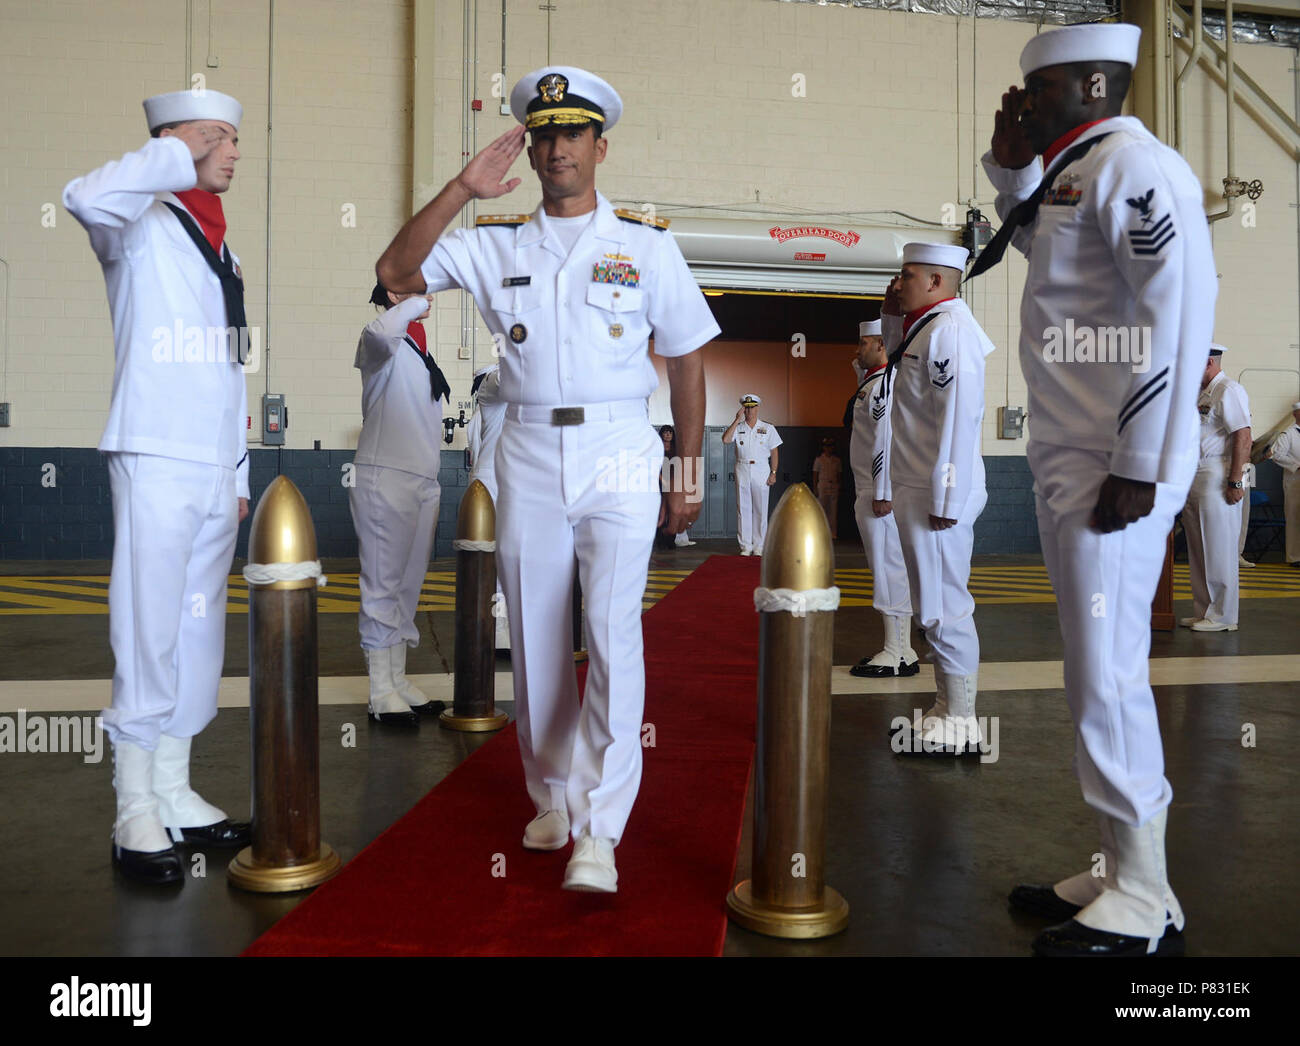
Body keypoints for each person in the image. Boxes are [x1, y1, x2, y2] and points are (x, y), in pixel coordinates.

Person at [374, 66, 717, 893]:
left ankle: (600, 828)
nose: (557, 146)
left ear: (601, 146)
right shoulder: (493, 241)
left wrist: (687, 469)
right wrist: (460, 187)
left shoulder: (644, 244)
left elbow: (688, 356)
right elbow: (395, 272)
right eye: (543, 133)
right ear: (528, 148)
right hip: (525, 450)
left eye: (572, 133)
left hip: (620, 450)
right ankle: (553, 797)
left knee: (610, 631)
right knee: (531, 641)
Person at [976, 22, 1217, 956]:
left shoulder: (1141, 169)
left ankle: (1146, 897)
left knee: (1109, 672)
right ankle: (1119, 864)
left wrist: (1141, 462)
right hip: (1074, 448)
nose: (1024, 104)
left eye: (1036, 91)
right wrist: (1012, 171)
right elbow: (1062, 270)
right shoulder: (1083, 169)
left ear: (1089, 84)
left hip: (1115, 458)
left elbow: (1177, 314)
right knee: (1093, 666)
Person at [64, 88, 253, 885]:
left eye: (236, 139)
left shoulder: (224, 251)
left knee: (197, 633)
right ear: (173, 140)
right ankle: (133, 807)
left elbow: (235, 364)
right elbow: (82, 193)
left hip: (213, 465)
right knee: (146, 630)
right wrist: (176, 152)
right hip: (153, 452)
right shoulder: (133, 221)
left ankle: (174, 787)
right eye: (220, 136)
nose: (235, 152)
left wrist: (239, 469)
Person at [881, 243, 992, 755]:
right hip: (917, 485)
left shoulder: (949, 331)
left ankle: (964, 720)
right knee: (932, 605)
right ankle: (948, 706)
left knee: (946, 606)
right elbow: (896, 366)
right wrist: (888, 314)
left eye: (906, 276)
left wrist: (948, 498)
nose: (897, 283)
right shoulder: (925, 326)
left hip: (936, 491)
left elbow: (958, 418)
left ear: (934, 281)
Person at [350, 284, 451, 724]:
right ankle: (378, 691)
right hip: (385, 474)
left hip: (421, 479)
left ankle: (396, 679)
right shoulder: (382, 344)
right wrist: (409, 304)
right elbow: (377, 334)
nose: (428, 297)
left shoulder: (417, 348)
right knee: (383, 584)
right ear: (394, 294)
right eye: (414, 290)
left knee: (407, 587)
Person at [846, 320, 919, 677]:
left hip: (876, 491)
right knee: (890, 568)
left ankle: (895, 650)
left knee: (888, 571)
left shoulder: (885, 384)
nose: (857, 351)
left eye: (863, 344)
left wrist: (882, 491)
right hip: (871, 488)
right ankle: (903, 649)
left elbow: (884, 440)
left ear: (879, 344)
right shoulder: (875, 382)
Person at [1180, 344, 1251, 632]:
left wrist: (1236, 481)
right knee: (1198, 547)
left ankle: (1224, 616)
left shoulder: (1229, 390)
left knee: (1219, 546)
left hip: (1218, 471)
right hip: (1195, 472)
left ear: (1209, 361)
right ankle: (1205, 610)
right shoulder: (1201, 394)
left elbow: (1243, 437)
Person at [466, 361, 511, 648]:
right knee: (494, 562)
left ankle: (504, 630)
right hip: (492, 484)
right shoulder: (490, 392)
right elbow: (504, 378)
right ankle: (496, 633)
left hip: (510, 482)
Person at [722, 394, 782, 555]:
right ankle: (746, 546)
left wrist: (773, 472)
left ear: (758, 408)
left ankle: (759, 545)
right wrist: (736, 420)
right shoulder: (739, 427)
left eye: (752, 407)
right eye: (747, 407)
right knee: (743, 509)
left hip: (761, 469)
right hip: (742, 468)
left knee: (760, 509)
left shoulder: (768, 428)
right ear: (743, 409)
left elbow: (774, 452)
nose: (749, 410)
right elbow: (726, 440)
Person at [1264, 401, 1300, 566]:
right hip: (1294, 482)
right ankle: (1294, 557)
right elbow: (1276, 455)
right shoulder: (1289, 434)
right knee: (1293, 519)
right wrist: (1297, 465)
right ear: (1295, 415)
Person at [811, 438, 842, 539]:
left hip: (833, 485)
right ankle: (821, 532)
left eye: (830, 446)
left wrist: (839, 485)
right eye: (826, 446)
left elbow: (839, 474)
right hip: (823, 485)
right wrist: (815, 488)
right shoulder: (819, 459)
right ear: (823, 448)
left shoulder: (837, 460)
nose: (828, 448)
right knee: (822, 509)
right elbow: (815, 474)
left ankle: (833, 533)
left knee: (833, 511)